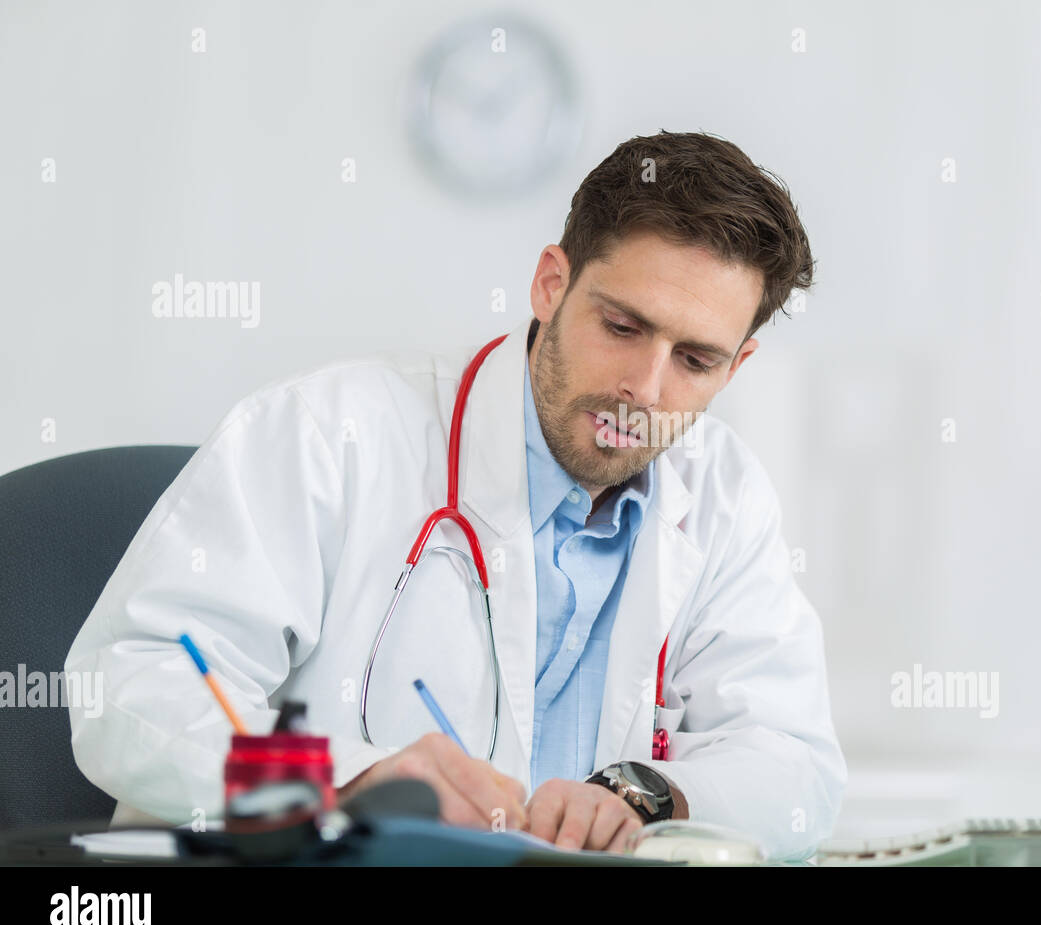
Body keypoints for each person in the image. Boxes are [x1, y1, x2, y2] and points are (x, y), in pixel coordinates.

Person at [65, 130, 846, 859]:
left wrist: (652, 795)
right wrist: (351, 782)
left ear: (735, 366)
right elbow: (132, 686)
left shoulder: (724, 495)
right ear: (551, 285)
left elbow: (795, 767)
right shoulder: (329, 434)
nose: (644, 388)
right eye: (622, 326)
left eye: (695, 360)